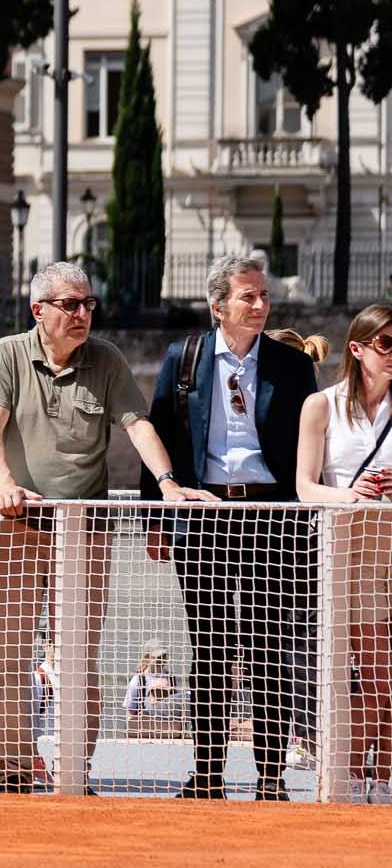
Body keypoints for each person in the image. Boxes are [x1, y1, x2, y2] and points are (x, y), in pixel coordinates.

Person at [0, 260, 209, 794]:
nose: (83, 314)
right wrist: (5, 484)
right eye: (70, 305)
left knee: (78, 658)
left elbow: (138, 425)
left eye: (88, 304)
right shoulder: (7, 354)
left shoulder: (106, 359)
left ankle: (74, 773)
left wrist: (168, 483)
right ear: (39, 310)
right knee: (9, 656)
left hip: (85, 529)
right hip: (15, 522)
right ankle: (13, 770)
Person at [143, 253, 318, 800]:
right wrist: (157, 519)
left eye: (264, 295)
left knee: (271, 648)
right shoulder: (184, 358)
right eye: (249, 296)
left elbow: (313, 446)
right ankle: (208, 775)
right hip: (204, 515)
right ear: (218, 306)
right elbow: (162, 435)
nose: (261, 305)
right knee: (211, 647)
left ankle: (271, 778)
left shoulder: (292, 366)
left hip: (274, 516)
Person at [295, 303, 392, 802]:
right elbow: (306, 487)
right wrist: (352, 494)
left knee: (383, 674)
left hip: (385, 551)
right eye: (386, 344)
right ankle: (352, 776)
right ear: (357, 348)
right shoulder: (323, 405)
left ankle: (385, 776)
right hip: (347, 553)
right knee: (354, 674)